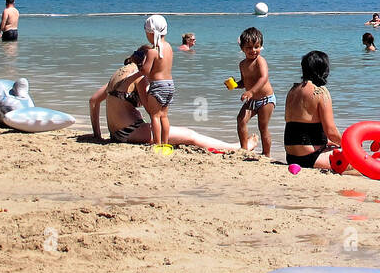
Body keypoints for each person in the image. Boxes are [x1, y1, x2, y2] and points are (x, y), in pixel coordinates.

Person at [89, 63, 244, 152]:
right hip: (131, 131)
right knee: (190, 135)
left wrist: (98, 135)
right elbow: (152, 112)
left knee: (185, 135)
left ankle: (231, 146)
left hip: (116, 134)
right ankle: (233, 147)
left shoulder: (118, 79)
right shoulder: (140, 79)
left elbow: (93, 101)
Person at [282, 50, 344, 170]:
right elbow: (331, 131)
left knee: (335, 146)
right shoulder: (320, 92)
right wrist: (349, 146)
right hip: (310, 157)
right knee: (354, 160)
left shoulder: (292, 90)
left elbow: (298, 125)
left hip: (291, 157)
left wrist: (325, 143)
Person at [127, 14, 175, 148]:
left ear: (150, 33)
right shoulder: (169, 47)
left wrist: (136, 68)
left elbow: (145, 71)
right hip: (170, 85)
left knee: (155, 116)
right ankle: (166, 144)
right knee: (164, 116)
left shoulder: (152, 51)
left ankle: (157, 143)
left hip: (157, 86)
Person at [235, 26, 274, 157]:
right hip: (252, 99)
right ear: (242, 49)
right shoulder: (242, 64)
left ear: (261, 47)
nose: (253, 50)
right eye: (249, 48)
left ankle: (266, 154)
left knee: (263, 127)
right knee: (241, 119)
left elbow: (263, 78)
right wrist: (235, 85)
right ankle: (244, 149)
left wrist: (251, 92)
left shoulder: (260, 61)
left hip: (266, 99)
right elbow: (245, 82)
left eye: (256, 47)